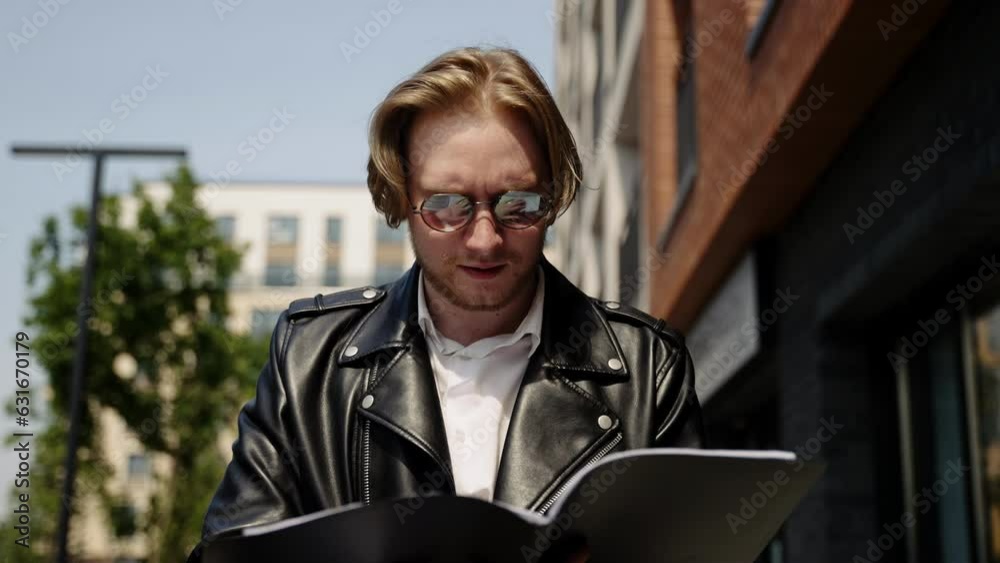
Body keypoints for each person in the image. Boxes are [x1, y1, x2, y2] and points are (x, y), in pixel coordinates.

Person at [186, 46, 704, 563]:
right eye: (447, 207)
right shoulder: (307, 360)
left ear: (553, 197)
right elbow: (231, 554)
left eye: (518, 204)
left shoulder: (648, 368)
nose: (484, 240)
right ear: (401, 199)